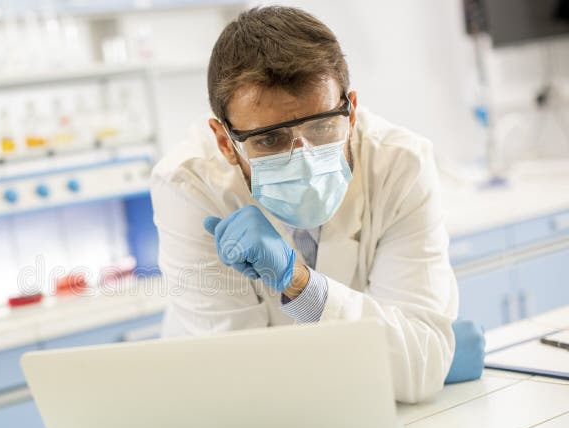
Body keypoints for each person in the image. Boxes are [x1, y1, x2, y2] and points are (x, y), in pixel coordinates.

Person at [149, 6, 483, 403]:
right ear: (225, 142)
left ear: (351, 112)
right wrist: (393, 353)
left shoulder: (400, 165)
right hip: (227, 427)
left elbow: (420, 367)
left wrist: (299, 283)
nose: (303, 158)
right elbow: (245, 386)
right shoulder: (188, 187)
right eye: (270, 140)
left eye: (323, 127)